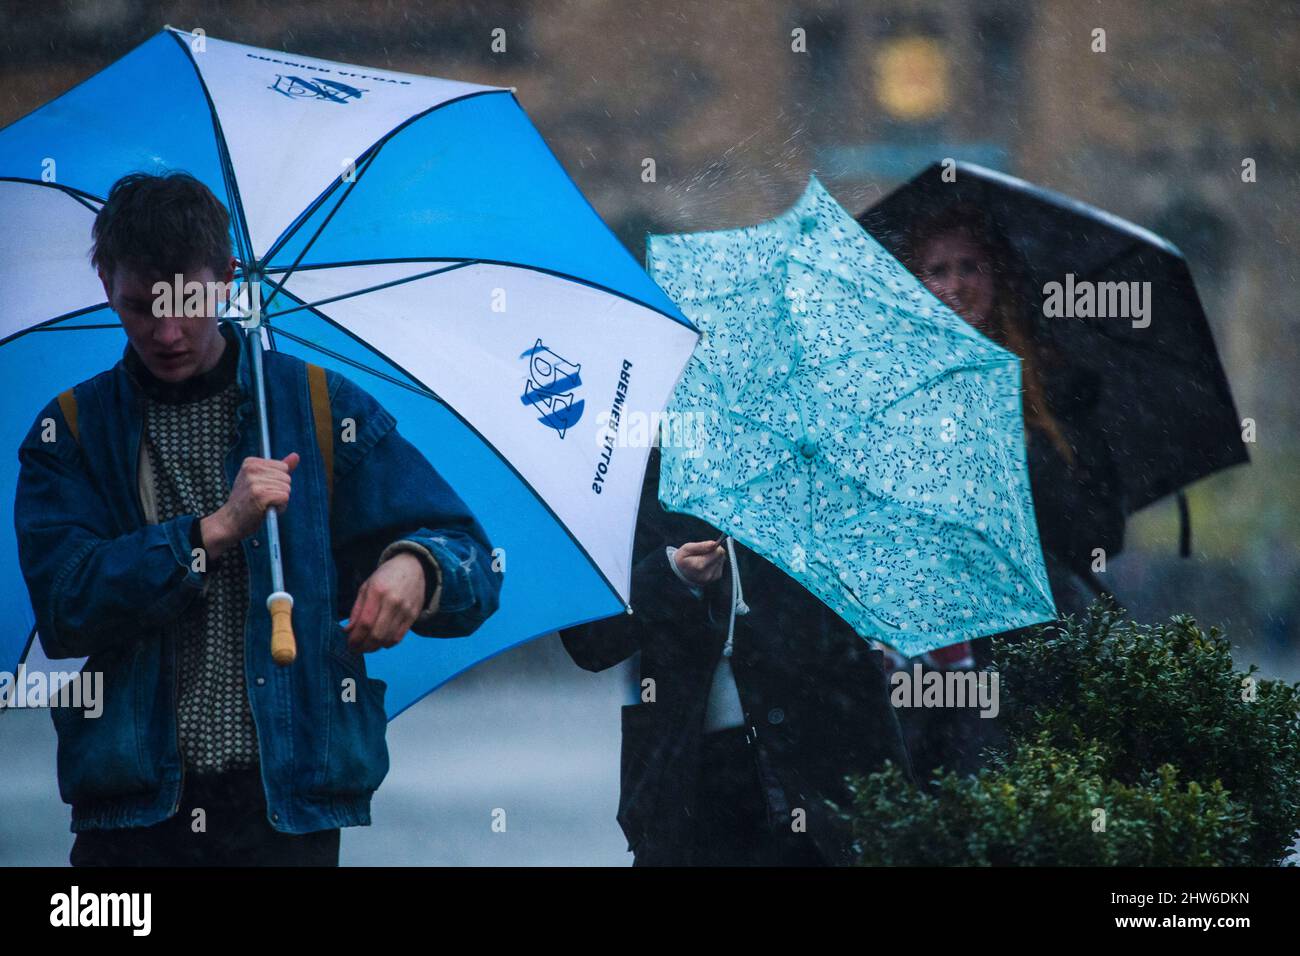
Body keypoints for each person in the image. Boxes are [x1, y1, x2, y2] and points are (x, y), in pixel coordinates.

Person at [14, 171, 502, 866]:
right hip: (130, 820)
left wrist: (417, 567)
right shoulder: (70, 431)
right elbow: (65, 608)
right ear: (104, 281)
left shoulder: (322, 407)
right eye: (139, 307)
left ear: (229, 277)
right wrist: (207, 534)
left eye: (188, 302)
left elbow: (474, 560)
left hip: (285, 817)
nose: (167, 331)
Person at [560, 444, 913, 866]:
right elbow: (590, 640)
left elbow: (870, 601)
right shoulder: (636, 484)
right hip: (694, 775)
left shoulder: (821, 473)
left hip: (818, 761)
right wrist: (670, 575)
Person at [891, 201, 1126, 778]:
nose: (954, 284)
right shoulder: (887, 394)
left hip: (1033, 641)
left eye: (969, 267)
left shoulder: (1054, 388)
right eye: (937, 269)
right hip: (920, 650)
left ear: (996, 277)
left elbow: (1102, 529)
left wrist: (1013, 490)